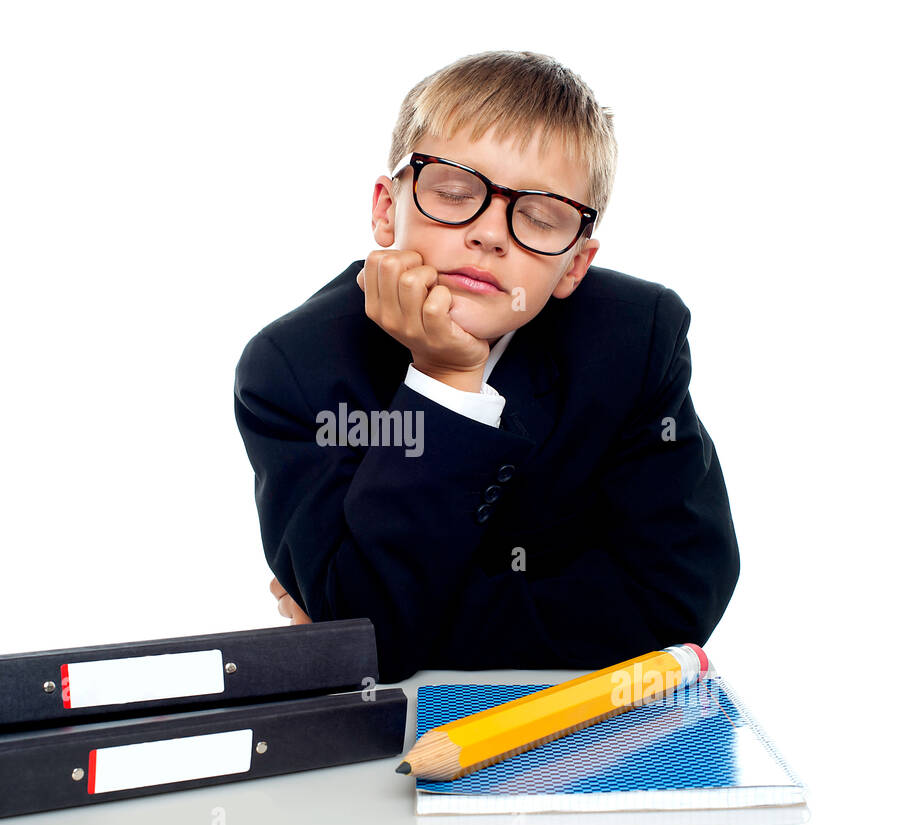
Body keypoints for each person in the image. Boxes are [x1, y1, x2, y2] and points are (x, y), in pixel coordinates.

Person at [233, 50, 739, 683]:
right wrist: (445, 382)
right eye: (453, 192)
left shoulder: (637, 338)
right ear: (387, 210)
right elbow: (365, 642)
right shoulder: (295, 370)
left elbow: (672, 602)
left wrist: (402, 628)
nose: (491, 234)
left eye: (539, 217)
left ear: (574, 266)